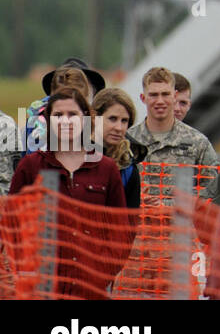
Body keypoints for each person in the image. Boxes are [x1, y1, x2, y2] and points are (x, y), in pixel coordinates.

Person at [9, 87, 130, 298]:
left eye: (72, 114)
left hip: (92, 288)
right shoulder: (31, 166)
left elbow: (120, 230)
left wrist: (103, 272)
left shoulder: (106, 168)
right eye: (58, 115)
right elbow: (11, 226)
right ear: (48, 120)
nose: (65, 121)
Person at [127, 67, 220, 200]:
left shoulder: (198, 143)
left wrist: (169, 207)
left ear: (174, 96)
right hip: (134, 219)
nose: (160, 101)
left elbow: (213, 193)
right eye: (153, 95)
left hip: (179, 220)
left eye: (165, 94)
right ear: (143, 98)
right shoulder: (127, 142)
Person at [91, 88, 148, 209]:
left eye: (124, 121)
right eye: (112, 119)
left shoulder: (128, 169)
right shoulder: (74, 156)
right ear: (94, 117)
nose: (119, 127)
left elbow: (130, 223)